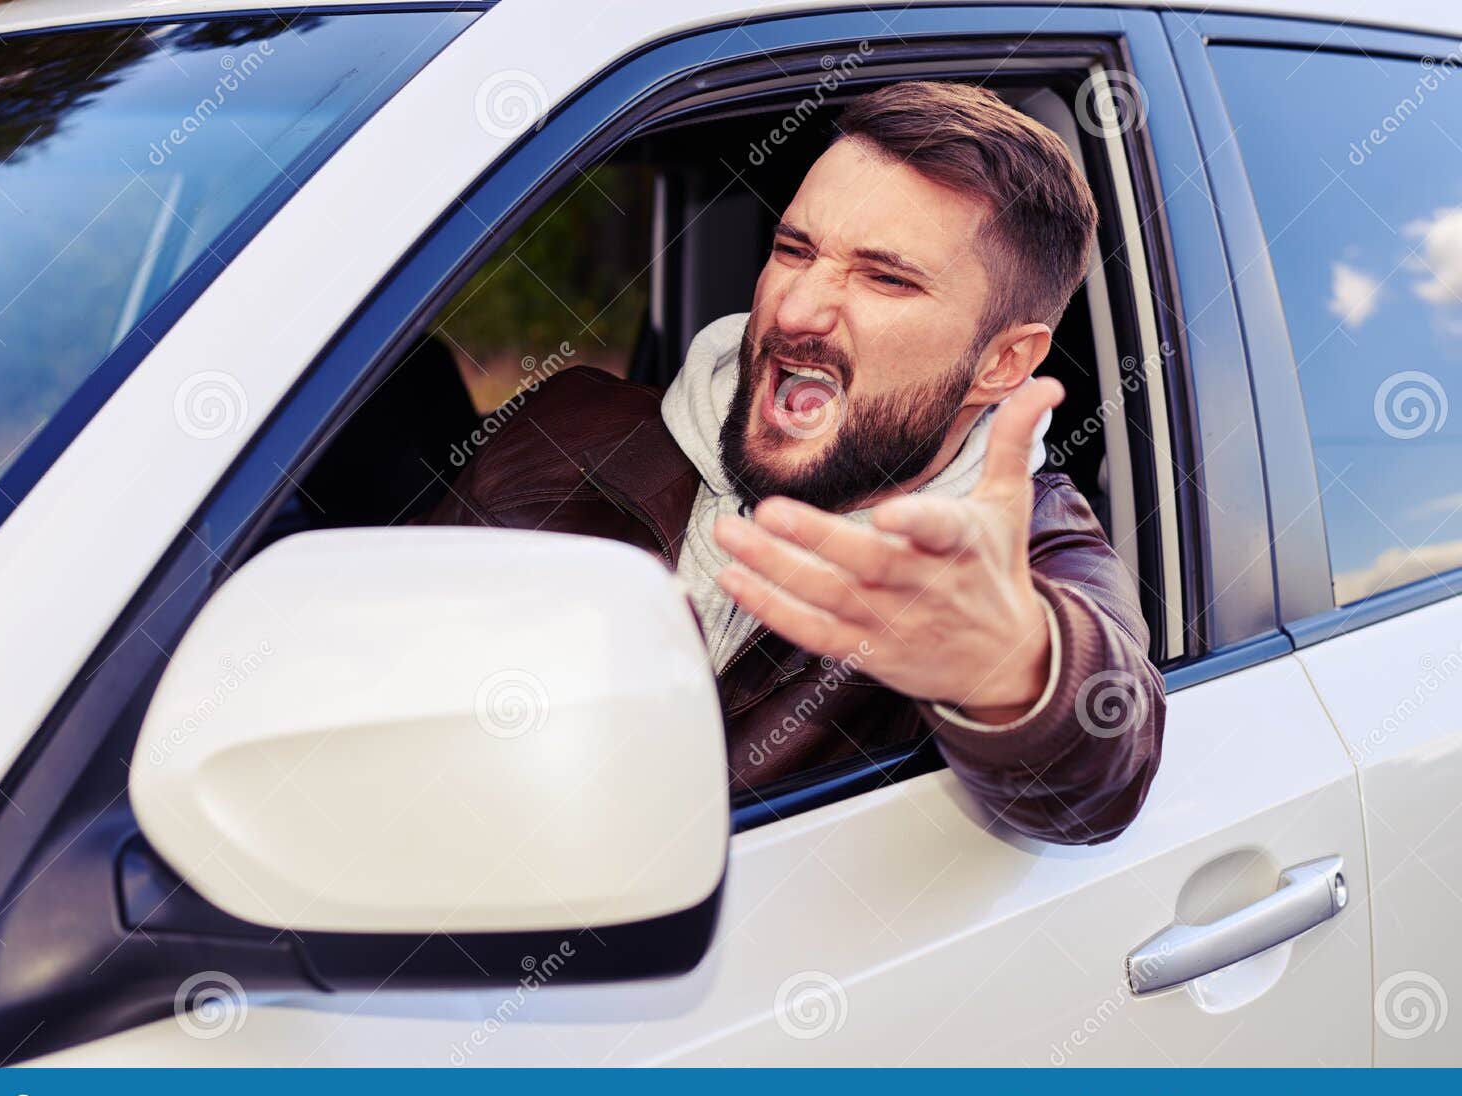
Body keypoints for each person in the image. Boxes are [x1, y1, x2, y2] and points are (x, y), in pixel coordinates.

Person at [426, 80, 1164, 845]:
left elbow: (1100, 781)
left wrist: (1012, 669)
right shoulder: (565, 428)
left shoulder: (1027, 555)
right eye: (794, 249)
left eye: (887, 277)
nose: (796, 308)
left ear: (1002, 363)